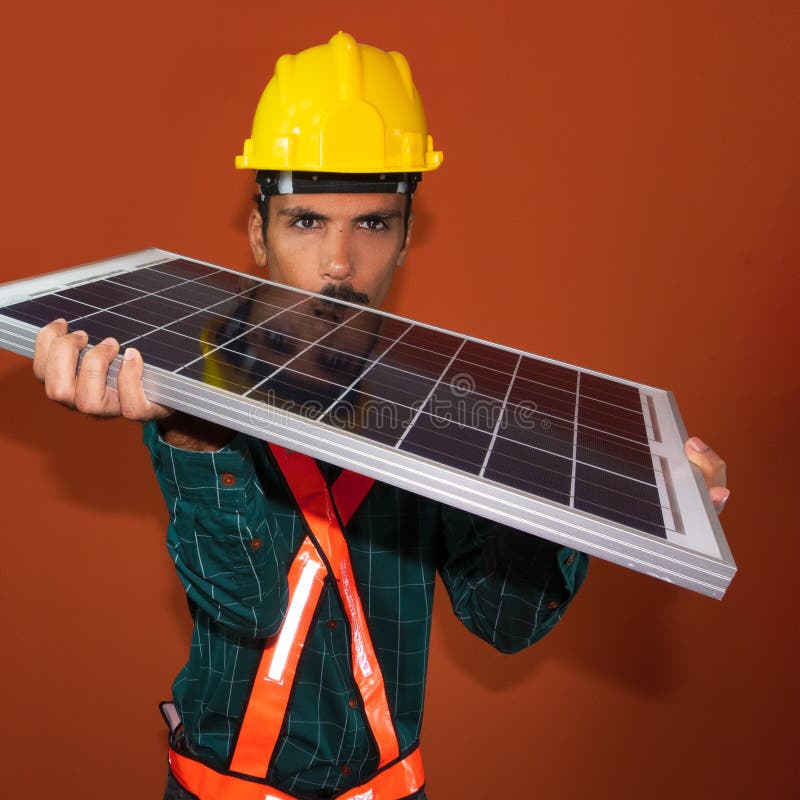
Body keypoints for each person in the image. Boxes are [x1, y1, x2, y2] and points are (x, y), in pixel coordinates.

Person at [31, 32, 729, 800]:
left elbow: (505, 622)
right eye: (306, 221)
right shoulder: (190, 383)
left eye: (372, 223)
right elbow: (245, 605)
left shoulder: (458, 407)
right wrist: (193, 437)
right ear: (259, 233)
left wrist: (592, 495)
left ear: (405, 237)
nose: (339, 262)